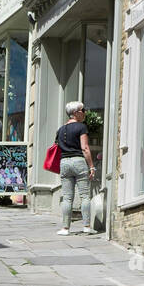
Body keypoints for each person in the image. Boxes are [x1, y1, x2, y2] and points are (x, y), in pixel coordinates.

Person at [55, 101, 96, 235]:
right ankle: (87, 226)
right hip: (78, 162)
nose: (85, 113)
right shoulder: (81, 127)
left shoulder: (60, 129)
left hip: (64, 162)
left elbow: (57, 146)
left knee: (67, 197)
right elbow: (84, 148)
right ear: (75, 113)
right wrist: (91, 166)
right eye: (82, 110)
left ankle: (65, 228)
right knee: (85, 196)